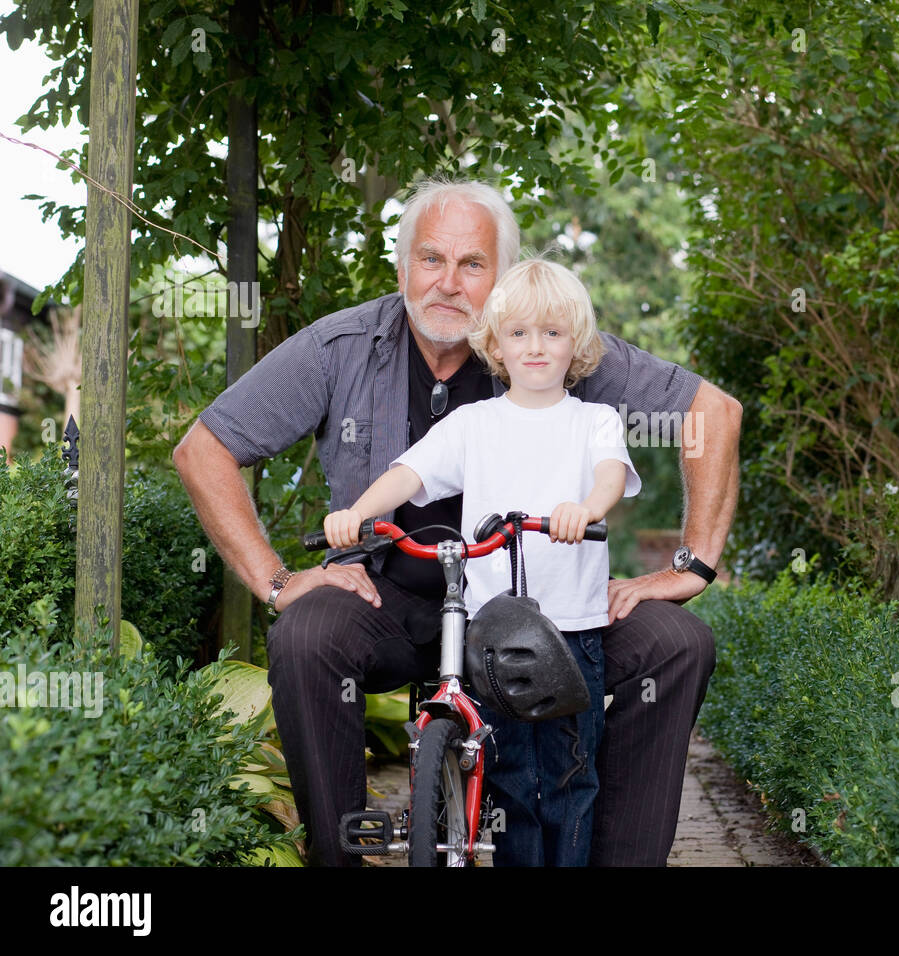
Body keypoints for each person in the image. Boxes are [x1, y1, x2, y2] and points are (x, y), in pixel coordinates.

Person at [172, 178, 742, 866]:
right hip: (391, 599)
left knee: (677, 644)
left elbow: (713, 412)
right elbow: (204, 448)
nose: (448, 282)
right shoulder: (338, 348)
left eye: (472, 264)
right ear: (403, 266)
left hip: (544, 608)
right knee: (306, 636)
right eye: (431, 259)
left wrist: (692, 567)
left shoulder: (543, 340)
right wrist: (275, 580)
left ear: (502, 279)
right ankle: (338, 860)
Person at [322, 258, 639, 865]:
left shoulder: (593, 421)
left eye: (552, 333)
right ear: (494, 344)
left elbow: (609, 477)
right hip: (494, 633)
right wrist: (356, 517)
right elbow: (406, 473)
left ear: (577, 343)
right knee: (513, 782)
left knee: (570, 781)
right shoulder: (475, 424)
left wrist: (583, 508)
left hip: (571, 630)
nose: (536, 347)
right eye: (519, 334)